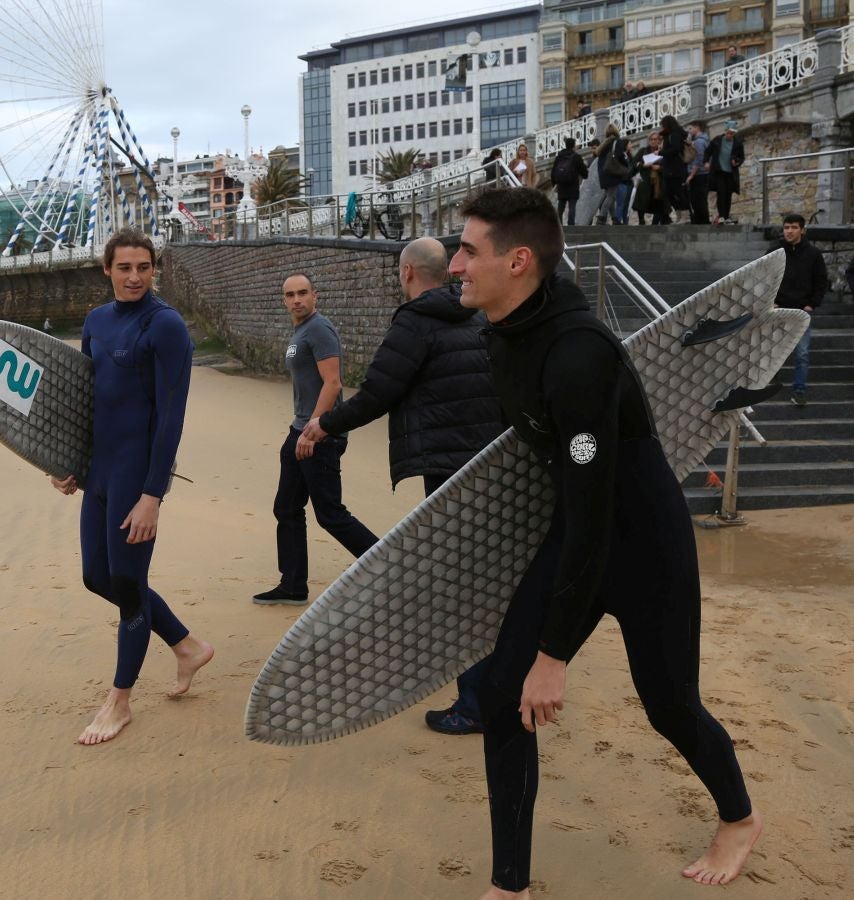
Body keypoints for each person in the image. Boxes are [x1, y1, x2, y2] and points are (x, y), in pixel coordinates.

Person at [447, 186, 761, 897]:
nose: (455, 262)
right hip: (579, 531)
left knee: (670, 704)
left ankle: (739, 819)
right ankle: (509, 884)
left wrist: (553, 656)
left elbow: (597, 512)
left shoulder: (577, 354)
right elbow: (573, 510)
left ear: (518, 261)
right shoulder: (506, 326)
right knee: (502, 695)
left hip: (642, 544)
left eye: (468, 250)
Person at [300, 237, 503, 736]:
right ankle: (501, 685)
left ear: (408, 271)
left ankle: (474, 704)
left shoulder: (415, 321)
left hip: (448, 467)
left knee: (459, 589)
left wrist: (325, 424)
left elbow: (380, 391)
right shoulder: (478, 314)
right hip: (491, 460)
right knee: (488, 581)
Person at [49, 229, 214, 745]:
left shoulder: (165, 326)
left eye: (144, 267)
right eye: (125, 268)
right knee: (98, 576)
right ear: (108, 269)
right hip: (100, 471)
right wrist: (69, 461)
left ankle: (119, 701)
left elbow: (171, 418)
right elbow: (84, 398)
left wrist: (152, 495)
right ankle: (187, 646)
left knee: (127, 585)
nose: (135, 277)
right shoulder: (97, 322)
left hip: (136, 476)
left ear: (154, 268)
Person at [252, 273, 379, 605]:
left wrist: (313, 430)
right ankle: (293, 585)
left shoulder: (320, 329)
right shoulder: (300, 331)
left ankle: (388, 566)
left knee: (330, 513)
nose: (297, 299)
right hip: (300, 429)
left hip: (319, 433)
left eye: (303, 293)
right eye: (291, 295)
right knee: (287, 507)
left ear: (315, 295)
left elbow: (333, 383)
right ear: (284, 300)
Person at [775, 213, 829, 407]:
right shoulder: (775, 251)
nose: (789, 231)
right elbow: (763, 277)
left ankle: (799, 390)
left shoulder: (813, 254)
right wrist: (771, 301)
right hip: (777, 310)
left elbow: (821, 281)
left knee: (802, 353)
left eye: (794, 227)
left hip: (802, 312)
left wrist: (812, 304)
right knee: (769, 350)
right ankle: (762, 387)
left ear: (802, 230)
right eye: (786, 227)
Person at [705, 120, 745, 225]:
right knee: (721, 193)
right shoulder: (717, 141)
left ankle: (726, 216)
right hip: (719, 171)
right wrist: (706, 162)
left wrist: (736, 161)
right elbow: (707, 151)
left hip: (730, 173)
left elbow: (741, 157)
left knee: (728, 194)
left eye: (732, 133)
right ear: (725, 131)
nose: (730, 135)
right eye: (728, 132)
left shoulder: (737, 143)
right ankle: (721, 216)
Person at [592, 125, 630, 225]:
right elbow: (619, 155)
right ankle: (601, 218)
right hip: (612, 172)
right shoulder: (617, 141)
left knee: (610, 196)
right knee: (611, 196)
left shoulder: (604, 143)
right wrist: (626, 164)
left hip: (603, 173)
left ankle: (614, 218)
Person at [550, 137, 588, 227]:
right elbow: (583, 171)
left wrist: (554, 183)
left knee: (561, 206)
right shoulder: (576, 157)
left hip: (561, 185)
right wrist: (585, 174)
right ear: (573, 146)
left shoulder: (559, 156)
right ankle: (571, 225)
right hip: (572, 184)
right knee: (572, 205)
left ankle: (559, 225)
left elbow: (553, 171)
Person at [658, 115, 690, 219]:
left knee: (678, 191)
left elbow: (675, 149)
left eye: (663, 125)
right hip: (669, 169)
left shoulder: (674, 135)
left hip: (675, 169)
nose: (662, 128)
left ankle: (685, 216)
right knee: (669, 192)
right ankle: (679, 214)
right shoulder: (668, 135)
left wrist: (661, 152)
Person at [686, 121, 712, 225]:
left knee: (698, 200)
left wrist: (691, 175)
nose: (689, 131)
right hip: (703, 174)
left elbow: (699, 159)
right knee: (701, 199)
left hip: (699, 175)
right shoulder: (704, 140)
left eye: (690, 128)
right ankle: (702, 221)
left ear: (697, 128)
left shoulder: (699, 142)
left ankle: (702, 222)